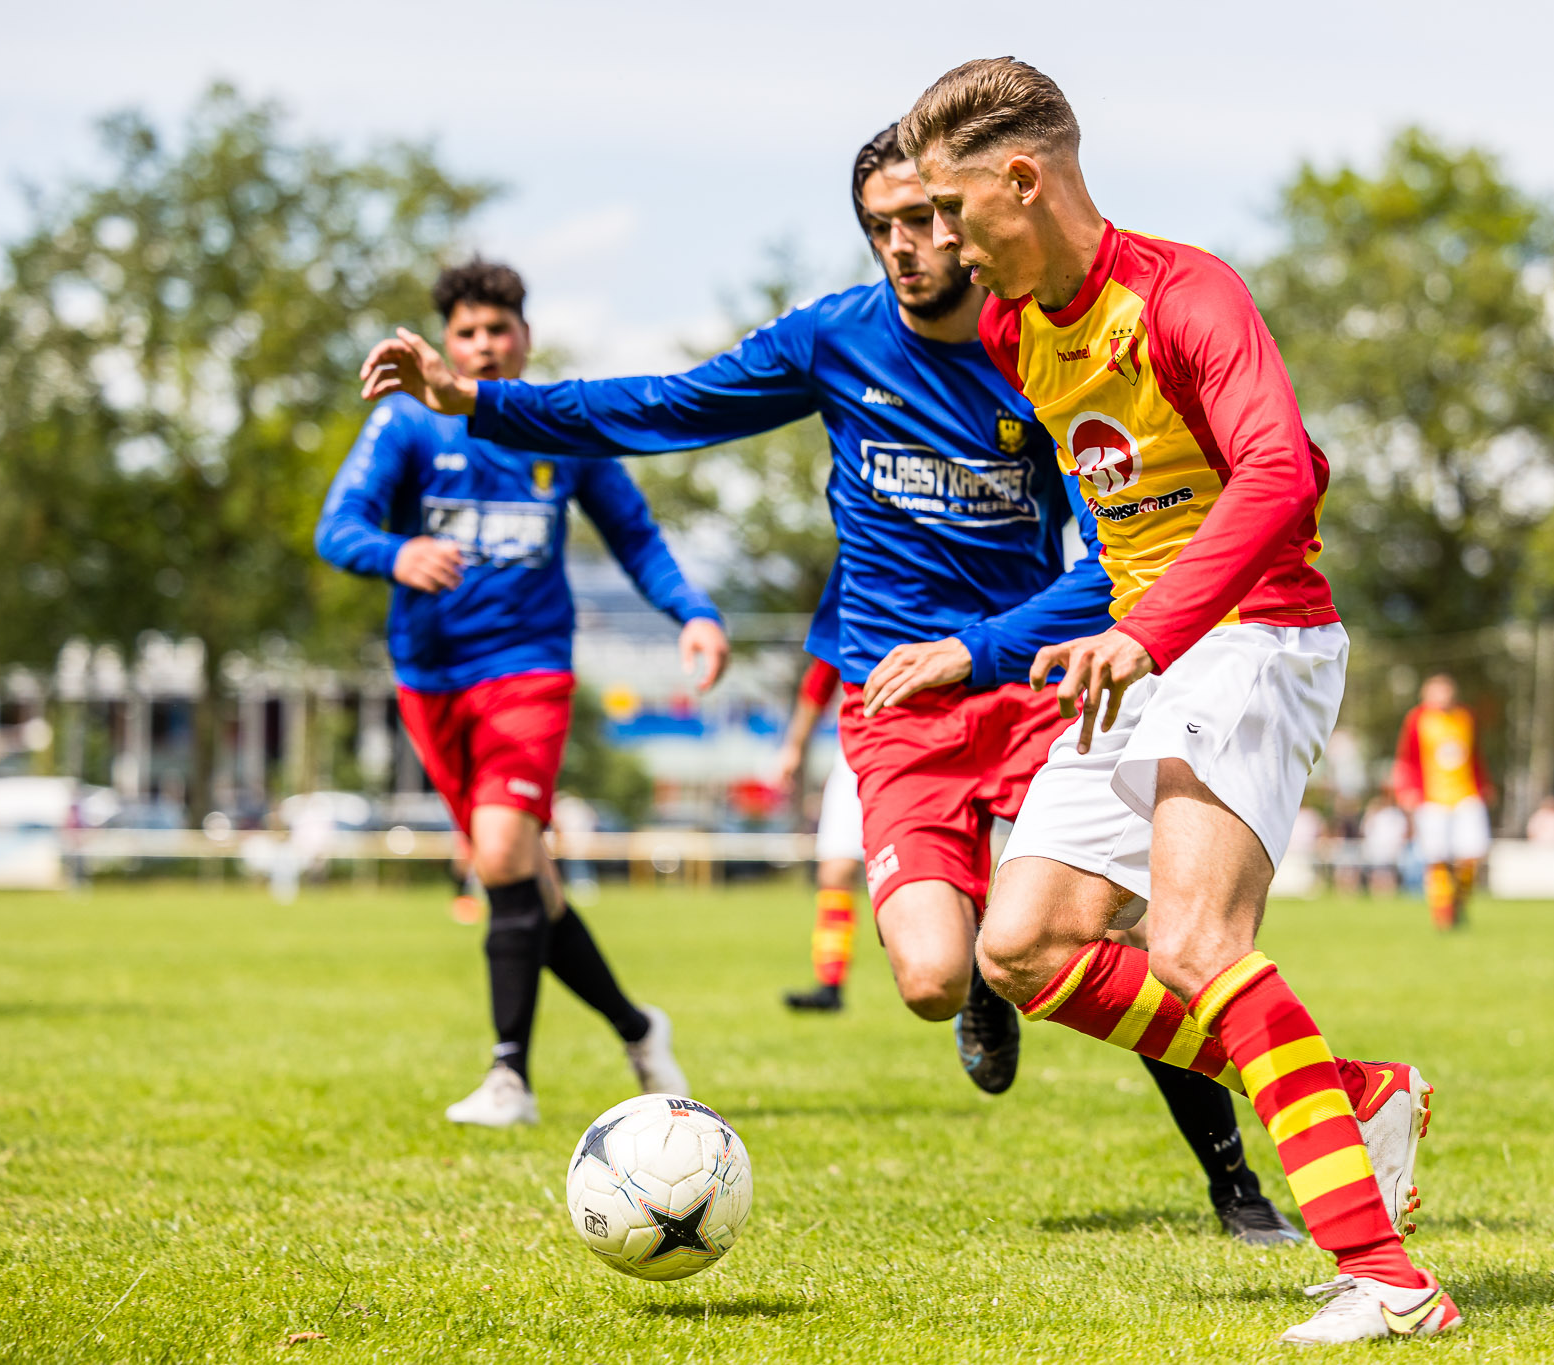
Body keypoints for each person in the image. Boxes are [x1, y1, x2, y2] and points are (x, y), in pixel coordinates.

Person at [356, 127, 1300, 1245]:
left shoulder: (1037, 345)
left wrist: (989, 645)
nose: (904, 247)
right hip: (892, 702)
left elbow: (1111, 555)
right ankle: (987, 986)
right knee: (931, 979)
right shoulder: (832, 340)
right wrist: (480, 402)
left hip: (1031, 681)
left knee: (1110, 935)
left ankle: (1236, 1184)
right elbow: (665, 404)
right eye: (880, 228)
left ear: (964, 215)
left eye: (921, 221)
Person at [898, 59, 1457, 1343]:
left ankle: (1387, 1277)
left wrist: (1145, 632)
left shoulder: (1184, 292)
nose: (940, 244)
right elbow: (1224, 477)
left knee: (1195, 947)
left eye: (949, 209)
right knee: (1021, 949)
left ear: (1021, 181)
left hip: (1256, 638)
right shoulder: (1008, 326)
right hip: (1143, 652)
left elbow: (1279, 477)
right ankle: (1349, 1092)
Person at [318, 259, 722, 1127]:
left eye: (499, 330)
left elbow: (635, 535)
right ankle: (637, 1026)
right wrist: (396, 554)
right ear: (447, 341)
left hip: (528, 668)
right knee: (525, 881)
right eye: (467, 332)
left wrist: (691, 612)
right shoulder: (405, 428)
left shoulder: (556, 427)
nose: (484, 345)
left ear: (525, 338)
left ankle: (511, 1077)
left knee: (499, 856)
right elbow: (337, 526)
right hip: (430, 677)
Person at [771, 656, 865, 1012]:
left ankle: (968, 981)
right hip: (859, 746)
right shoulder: (848, 602)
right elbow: (821, 678)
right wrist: (794, 745)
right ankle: (830, 985)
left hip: (931, 740)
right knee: (835, 870)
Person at [1392, 674, 1493, 931]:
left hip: (1466, 795)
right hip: (1432, 798)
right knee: (1436, 858)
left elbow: (1475, 755)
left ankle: (1460, 901)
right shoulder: (1417, 720)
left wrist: (1484, 786)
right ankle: (1443, 913)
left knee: (1471, 855)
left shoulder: (1465, 717)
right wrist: (1407, 789)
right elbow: (1407, 758)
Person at [1359, 796, 1409, 899]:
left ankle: (1389, 892)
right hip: (1377, 848)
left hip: (1389, 848)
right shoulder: (1375, 817)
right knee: (1378, 872)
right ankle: (1377, 892)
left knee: (1388, 872)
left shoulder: (1393, 815)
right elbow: (1366, 831)